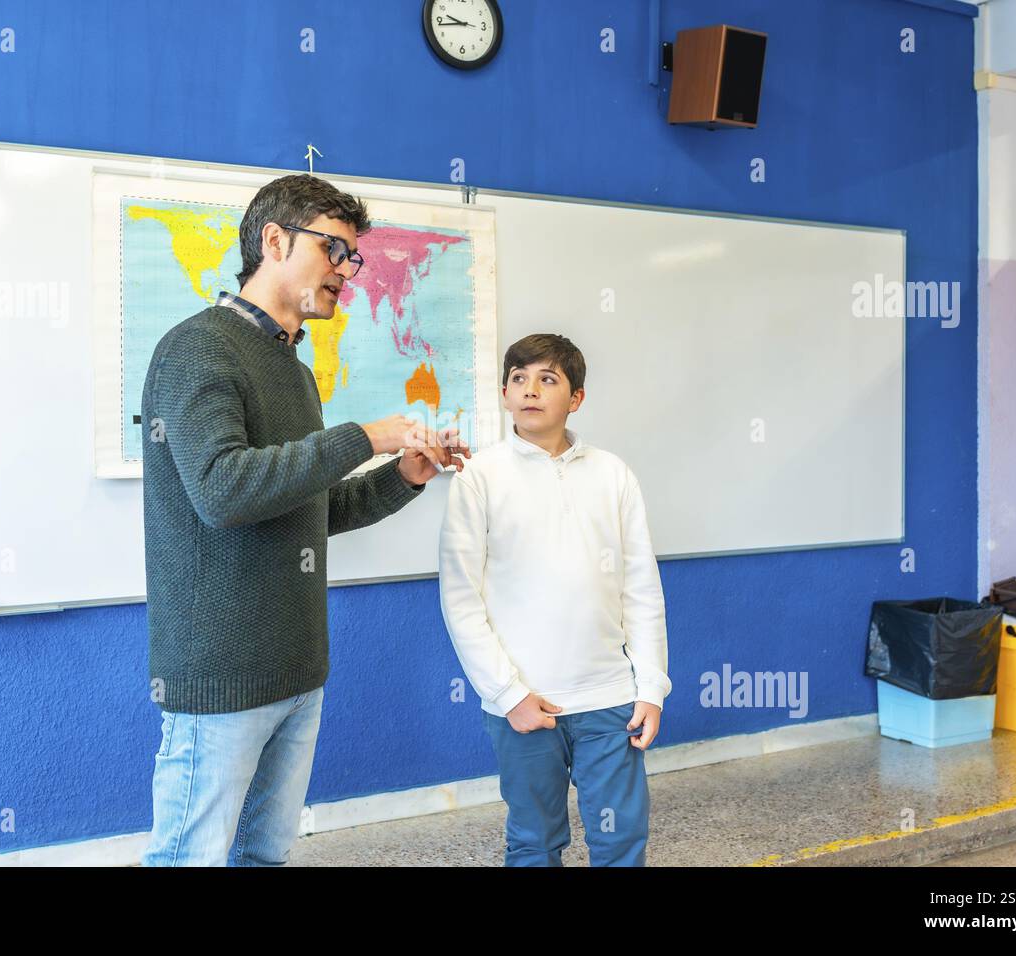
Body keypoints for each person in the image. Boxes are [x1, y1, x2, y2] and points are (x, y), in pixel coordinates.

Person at [141, 173, 468, 866]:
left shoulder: (293, 370)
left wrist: (406, 473)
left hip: (297, 671)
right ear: (274, 240)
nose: (347, 271)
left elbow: (311, 509)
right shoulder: (197, 349)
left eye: (353, 257)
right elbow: (223, 492)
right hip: (221, 679)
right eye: (334, 250)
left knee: (265, 858)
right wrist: (364, 437)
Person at [439, 333, 669, 866]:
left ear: (577, 397)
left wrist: (651, 686)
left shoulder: (613, 475)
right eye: (518, 378)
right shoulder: (480, 478)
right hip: (525, 703)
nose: (530, 390)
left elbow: (641, 587)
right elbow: (460, 597)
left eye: (548, 379)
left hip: (610, 700)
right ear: (503, 393)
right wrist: (506, 692)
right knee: (534, 841)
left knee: (620, 839)